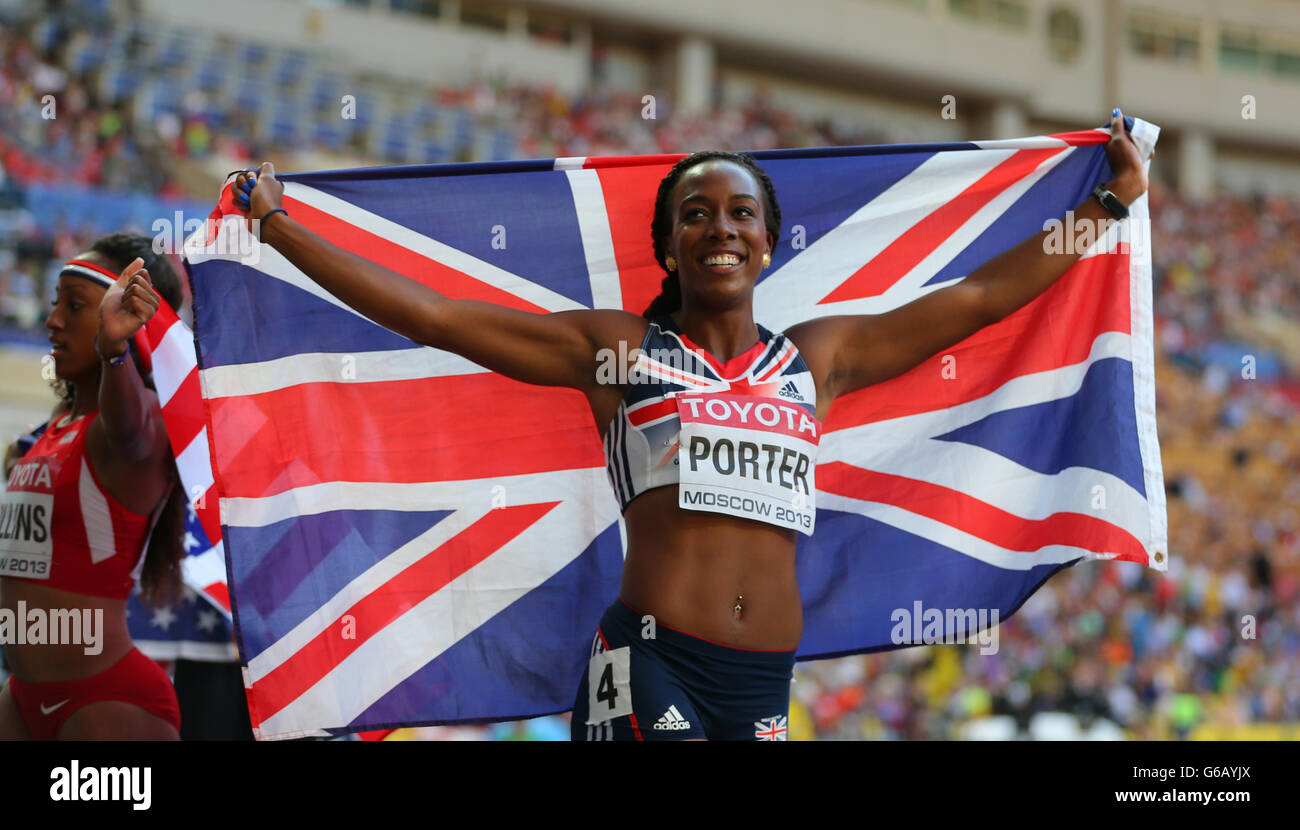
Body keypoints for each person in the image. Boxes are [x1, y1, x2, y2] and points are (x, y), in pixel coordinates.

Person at [232, 110, 1148, 741]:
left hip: (763, 684)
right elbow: (438, 318)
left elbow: (980, 297)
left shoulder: (815, 360)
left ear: (765, 239)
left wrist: (1104, 207)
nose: (719, 228)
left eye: (739, 214)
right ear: (669, 245)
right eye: (695, 215)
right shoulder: (621, 353)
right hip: (649, 661)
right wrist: (281, 231)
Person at [0, 234, 187, 740]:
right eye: (56, 302)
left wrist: (114, 352)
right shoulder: (54, 432)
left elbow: (129, 431)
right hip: (20, 696)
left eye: (75, 306)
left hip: (107, 700)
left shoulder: (140, 422)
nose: (53, 320)